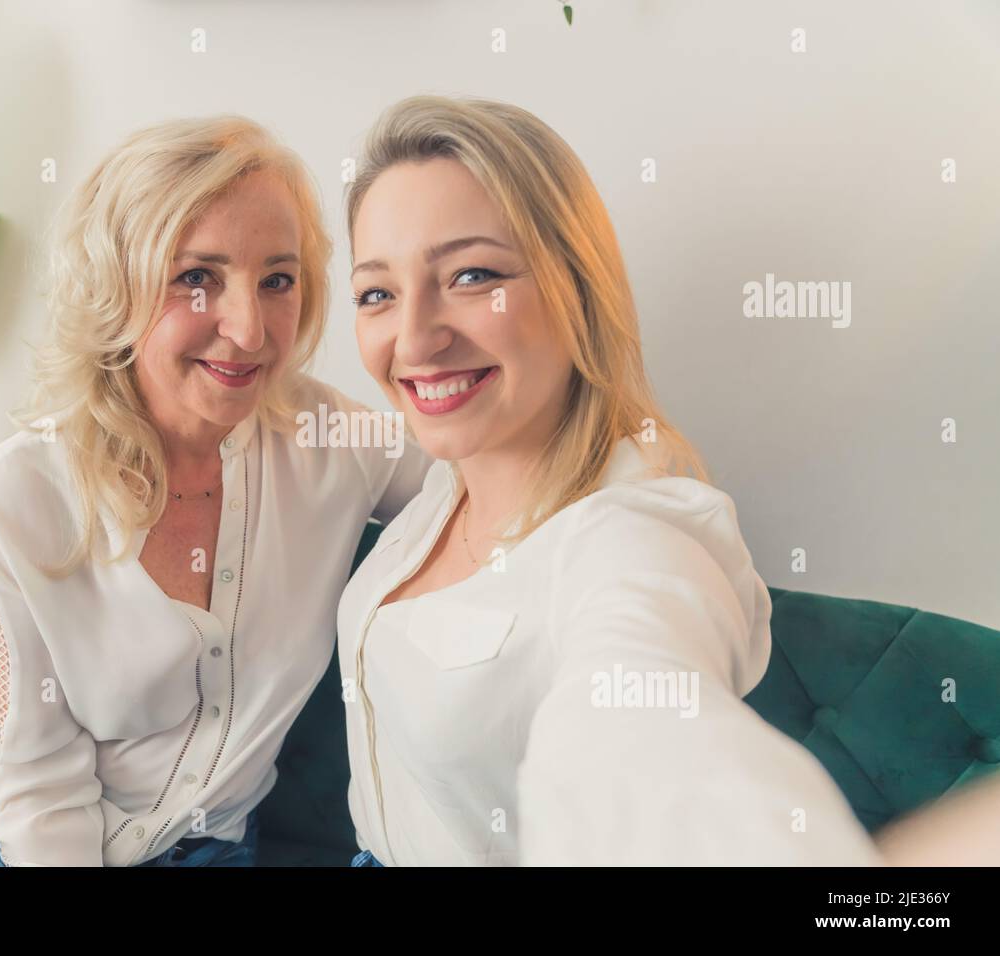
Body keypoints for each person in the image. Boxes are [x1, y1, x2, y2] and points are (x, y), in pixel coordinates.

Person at [0, 115, 430, 867]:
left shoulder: (329, 440)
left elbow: (494, 479)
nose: (249, 330)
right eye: (197, 278)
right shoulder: (16, 498)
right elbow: (40, 794)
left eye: (276, 280)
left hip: (206, 847)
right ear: (117, 285)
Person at [337, 94, 883, 866]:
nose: (415, 337)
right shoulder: (438, 489)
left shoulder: (635, 536)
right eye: (377, 294)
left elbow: (648, 735)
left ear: (577, 288)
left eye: (471, 275)